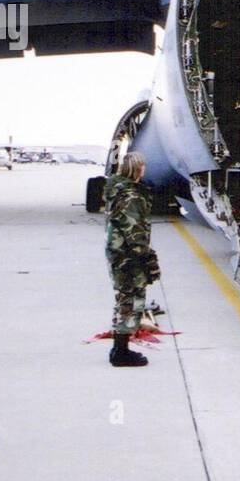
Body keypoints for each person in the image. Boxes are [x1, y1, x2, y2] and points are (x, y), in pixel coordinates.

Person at [104, 151, 159, 368]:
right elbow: (135, 233)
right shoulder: (132, 196)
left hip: (119, 253)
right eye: (142, 166)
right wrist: (148, 259)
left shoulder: (117, 191)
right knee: (130, 300)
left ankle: (120, 348)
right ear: (137, 169)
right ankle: (121, 352)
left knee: (124, 298)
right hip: (129, 257)